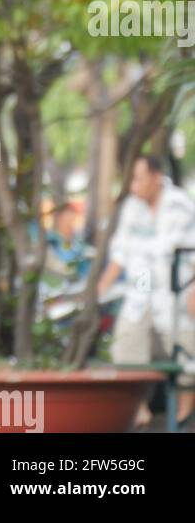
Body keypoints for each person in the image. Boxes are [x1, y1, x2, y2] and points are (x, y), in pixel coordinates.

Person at [97, 155, 195, 428]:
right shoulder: (131, 208)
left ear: (155, 176)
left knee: (188, 360)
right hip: (141, 288)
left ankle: (184, 420)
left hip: (176, 293)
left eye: (138, 178)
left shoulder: (181, 206)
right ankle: (139, 411)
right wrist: (100, 289)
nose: (133, 185)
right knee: (127, 344)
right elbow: (119, 255)